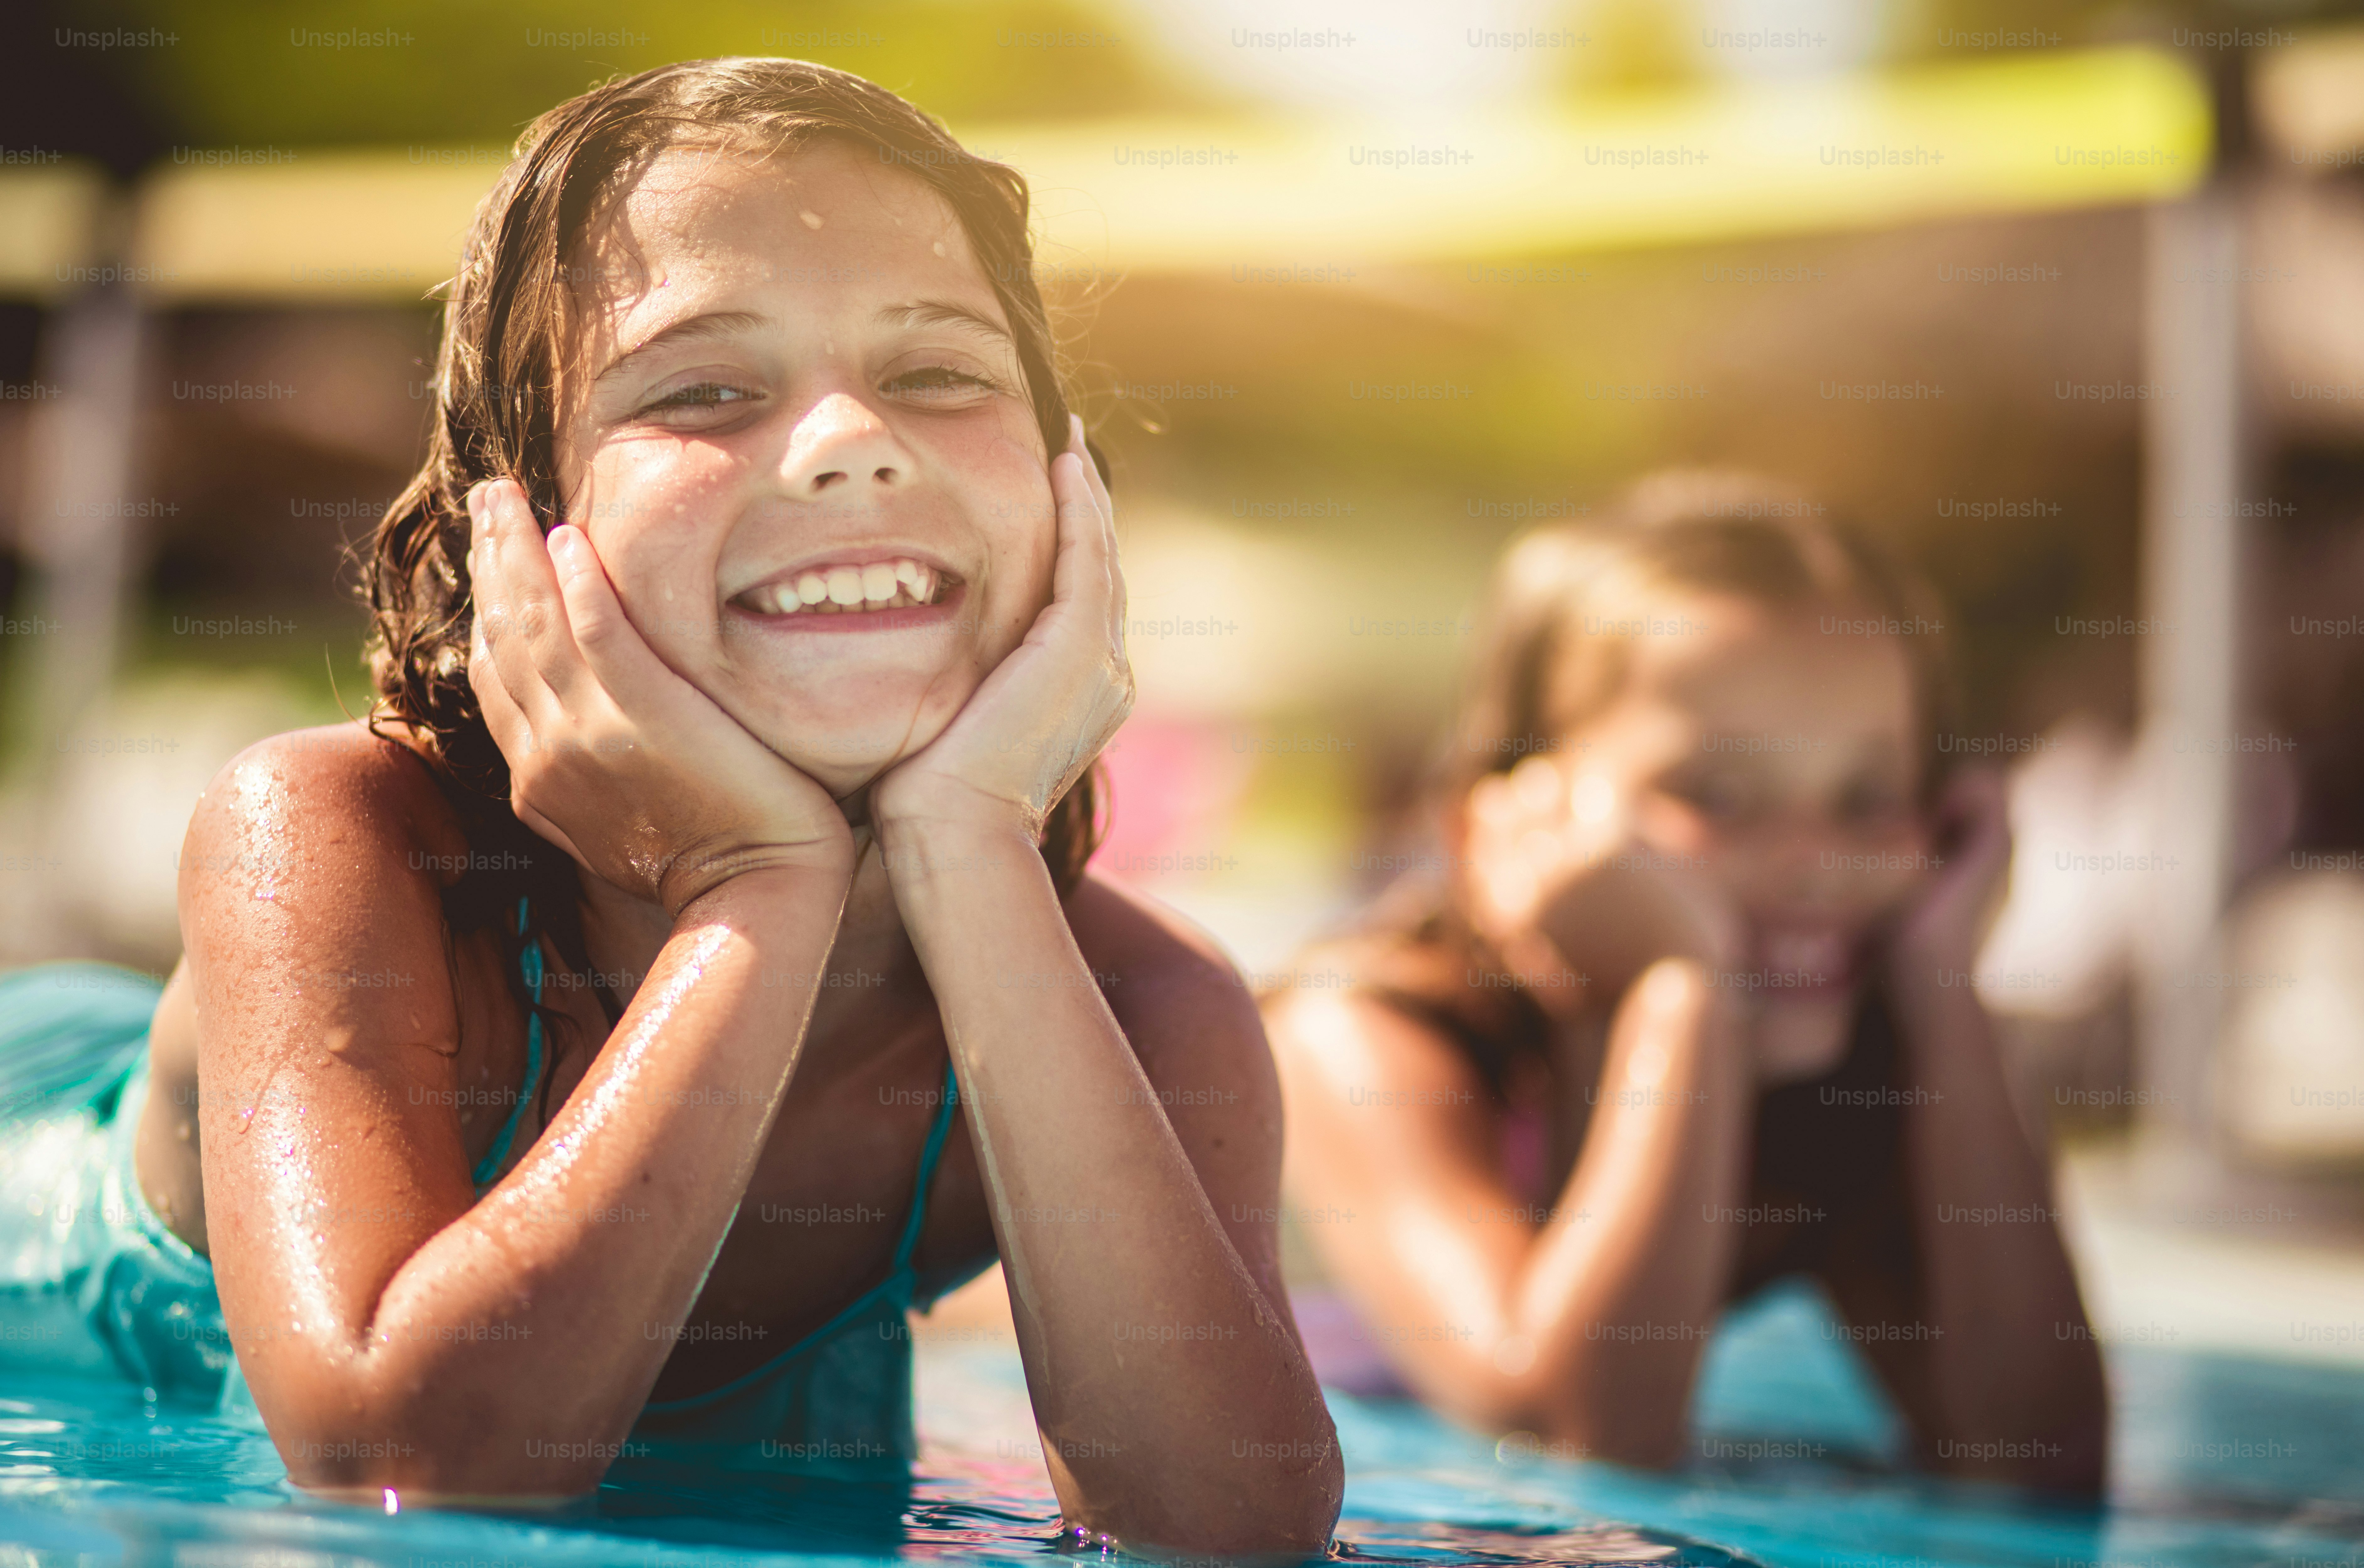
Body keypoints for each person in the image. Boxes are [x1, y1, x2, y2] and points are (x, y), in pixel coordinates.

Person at [0, 58, 1340, 1555]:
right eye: (705, 388)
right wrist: (760, 884)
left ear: (1065, 481)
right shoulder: (328, 835)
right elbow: (407, 1460)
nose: (848, 441)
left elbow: (1233, 1527)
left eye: (940, 373)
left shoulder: (1145, 1001)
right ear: (520, 528)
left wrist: (967, 846)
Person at [1263, 472, 2106, 1492]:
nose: (1812, 859)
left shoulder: (1857, 1069)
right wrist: (1682, 985)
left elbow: (2036, 1458)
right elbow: (1579, 1435)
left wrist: (1946, 988)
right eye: (1721, 794)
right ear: (1500, 820)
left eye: (1867, 796)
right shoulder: (1366, 1036)